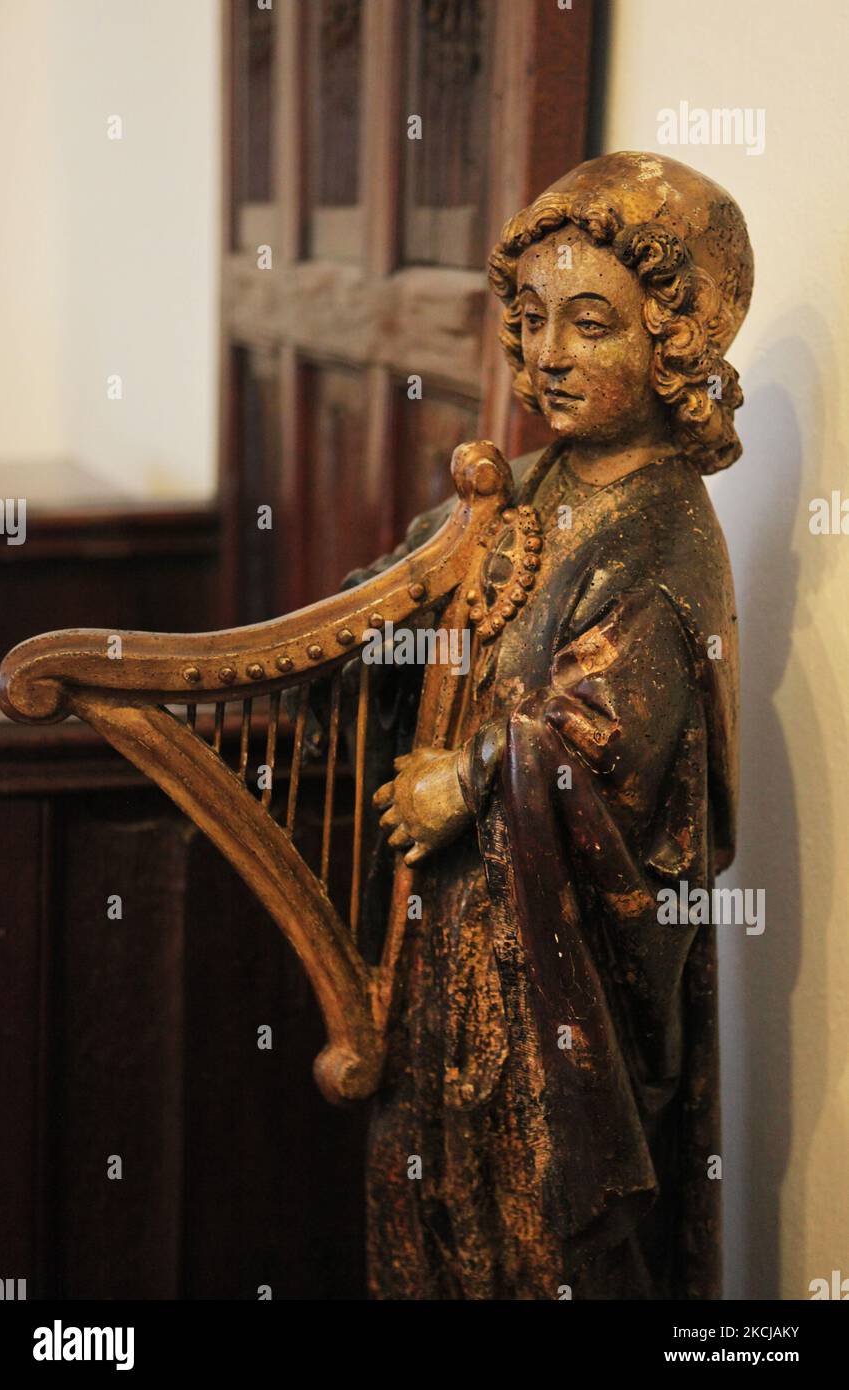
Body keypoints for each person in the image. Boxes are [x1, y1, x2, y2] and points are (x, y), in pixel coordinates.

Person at [346, 152, 752, 1300]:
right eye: (530, 321)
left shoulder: (662, 532)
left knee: (542, 1241)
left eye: (591, 324)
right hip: (455, 938)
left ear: (671, 345)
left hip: (554, 986)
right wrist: (356, 644)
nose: (549, 355)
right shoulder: (519, 488)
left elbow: (603, 741)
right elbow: (394, 602)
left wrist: (468, 777)